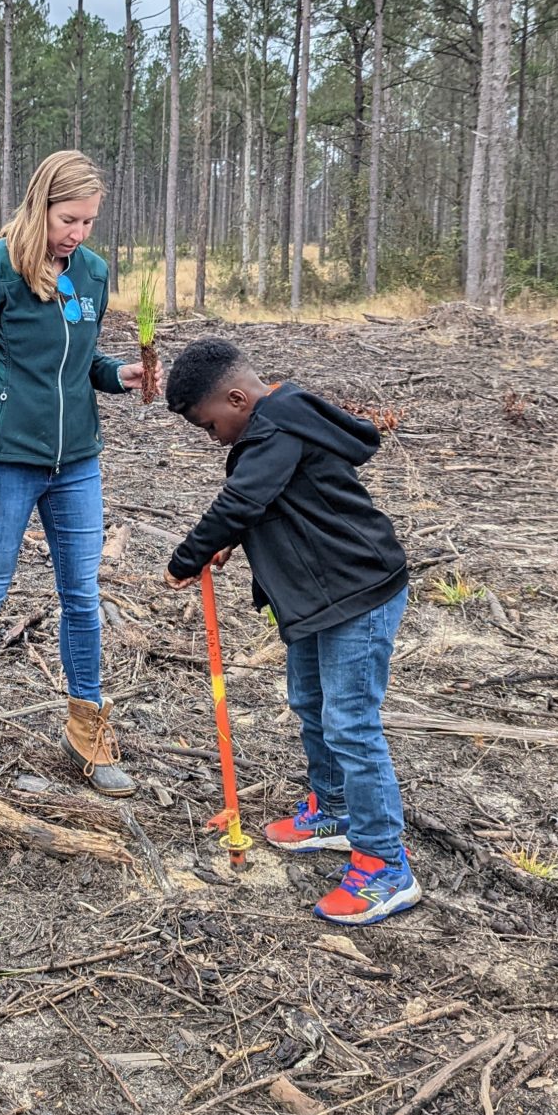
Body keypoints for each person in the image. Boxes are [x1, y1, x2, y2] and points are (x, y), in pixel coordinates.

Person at [162, 337, 421, 926]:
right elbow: (268, 502)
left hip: (356, 593)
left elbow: (242, 498)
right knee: (310, 702)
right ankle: (334, 809)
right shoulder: (277, 424)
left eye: (210, 425)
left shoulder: (275, 429)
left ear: (235, 397)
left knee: (351, 723)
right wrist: (236, 537)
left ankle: (386, 865)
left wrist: (188, 557)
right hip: (316, 596)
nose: (214, 437)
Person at [0, 150, 158, 797]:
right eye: (70, 219)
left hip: (76, 464)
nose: (80, 234)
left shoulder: (90, 273)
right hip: (5, 462)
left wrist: (121, 374)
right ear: (41, 205)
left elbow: (83, 363)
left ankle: (86, 727)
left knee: (83, 596)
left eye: (90, 222)